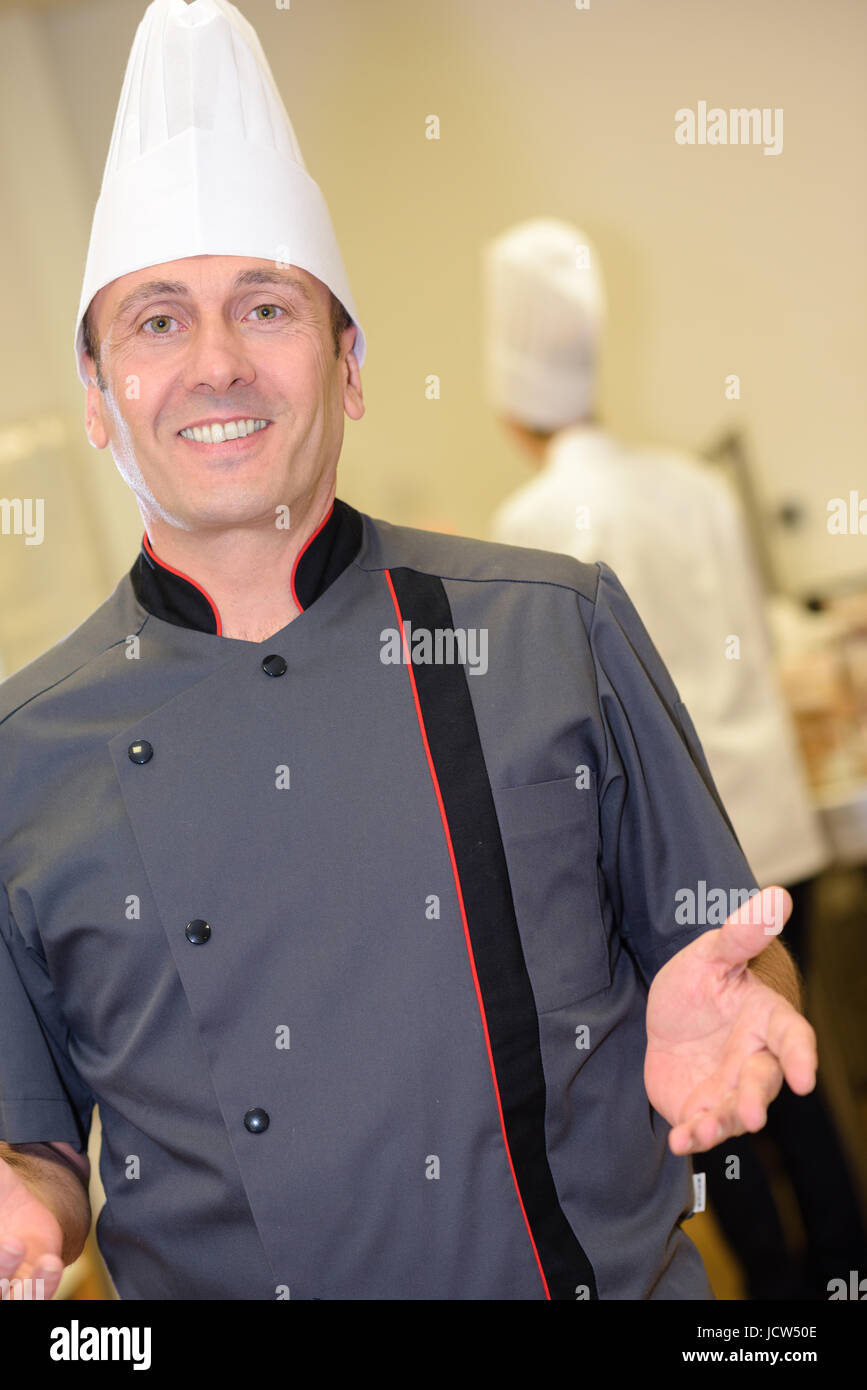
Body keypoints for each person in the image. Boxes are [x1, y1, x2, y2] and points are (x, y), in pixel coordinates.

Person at [0, 0, 814, 1302]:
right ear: (97, 396)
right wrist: (26, 1205)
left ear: (349, 363)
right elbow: (39, 1146)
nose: (215, 362)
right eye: (155, 321)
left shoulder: (555, 622)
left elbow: (719, 940)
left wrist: (737, 992)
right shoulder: (21, 755)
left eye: (265, 307)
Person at [483, 216, 867, 1299]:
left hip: (665, 866)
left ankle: (780, 1314)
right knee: (800, 1080)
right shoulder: (694, 488)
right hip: (772, 843)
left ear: (511, 404)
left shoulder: (528, 523)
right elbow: (759, 650)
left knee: (716, 1122)